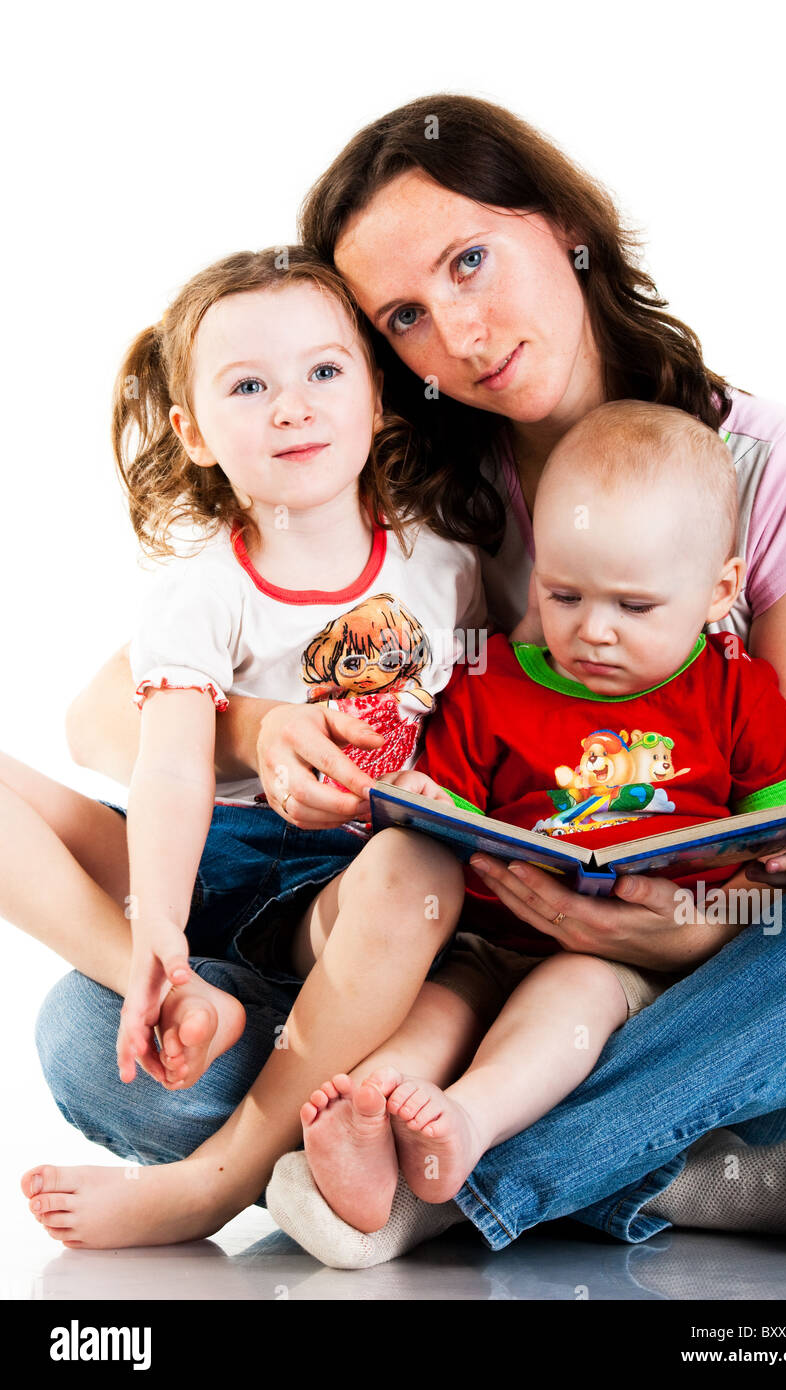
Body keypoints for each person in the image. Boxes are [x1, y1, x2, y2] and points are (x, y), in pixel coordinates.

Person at [32, 94, 786, 1261]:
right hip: (420, 947)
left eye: (470, 260)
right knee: (91, 1036)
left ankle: (453, 1174)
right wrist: (264, 729)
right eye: (407, 316)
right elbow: (96, 718)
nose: (462, 332)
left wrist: (648, 933)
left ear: (564, 224)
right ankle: (682, 1170)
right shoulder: (399, 482)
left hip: (675, 985)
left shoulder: (775, 472)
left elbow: (785, 868)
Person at [12, 244, 486, 1247]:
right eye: (248, 386)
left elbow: (477, 743)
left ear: (376, 395)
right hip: (209, 855)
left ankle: (228, 1164)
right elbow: (175, 764)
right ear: (191, 430)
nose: (291, 407)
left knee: (416, 863)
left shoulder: (441, 570)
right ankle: (171, 989)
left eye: (323, 372)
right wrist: (157, 929)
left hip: (339, 893)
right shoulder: (199, 592)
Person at [287, 400, 786, 1240]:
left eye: (635, 607)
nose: (594, 632)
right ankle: (369, 1116)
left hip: (621, 964)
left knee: (568, 996)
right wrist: (421, 799)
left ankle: (465, 1126)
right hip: (484, 934)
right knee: (435, 1009)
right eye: (564, 593)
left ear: (720, 590)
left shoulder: (735, 693)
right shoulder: (496, 683)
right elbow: (439, 810)